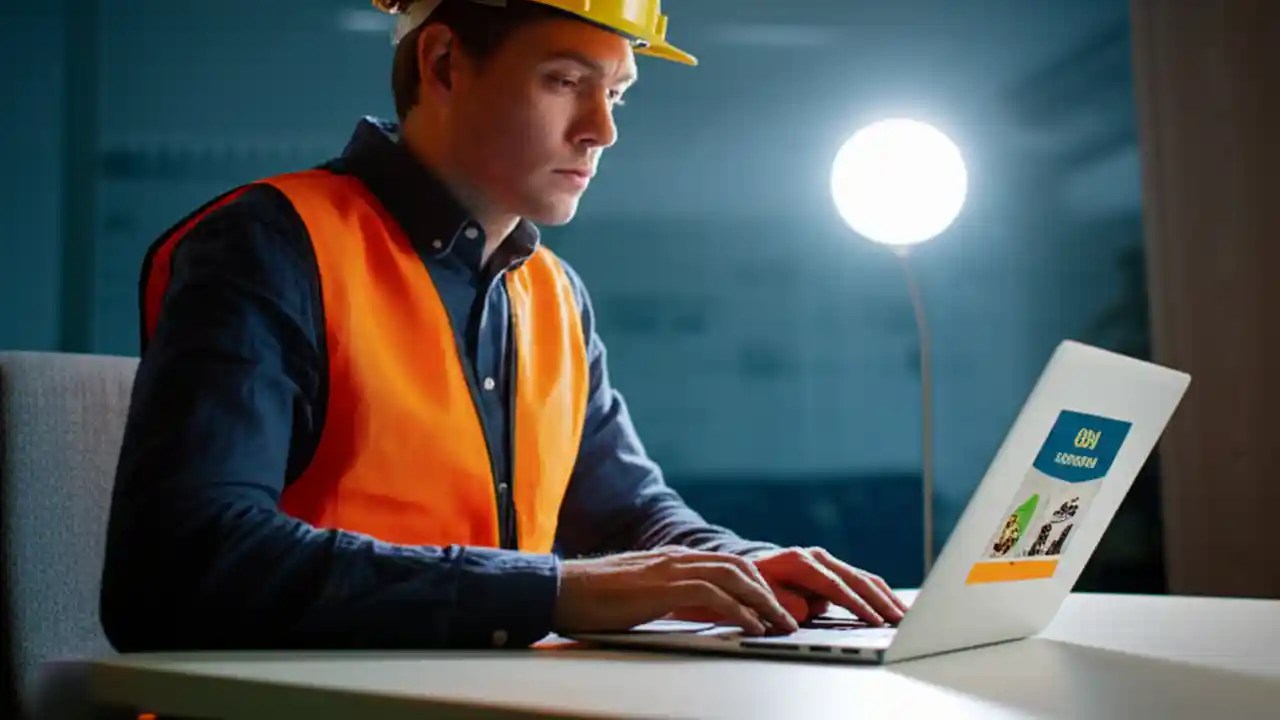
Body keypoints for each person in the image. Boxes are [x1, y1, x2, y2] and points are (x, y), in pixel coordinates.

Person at [100, 0, 909, 652]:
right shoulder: (268, 246)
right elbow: (182, 569)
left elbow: (630, 515)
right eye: (566, 80)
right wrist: (553, 593)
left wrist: (740, 564)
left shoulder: (553, 294)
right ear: (444, 63)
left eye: (617, 93)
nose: (603, 128)